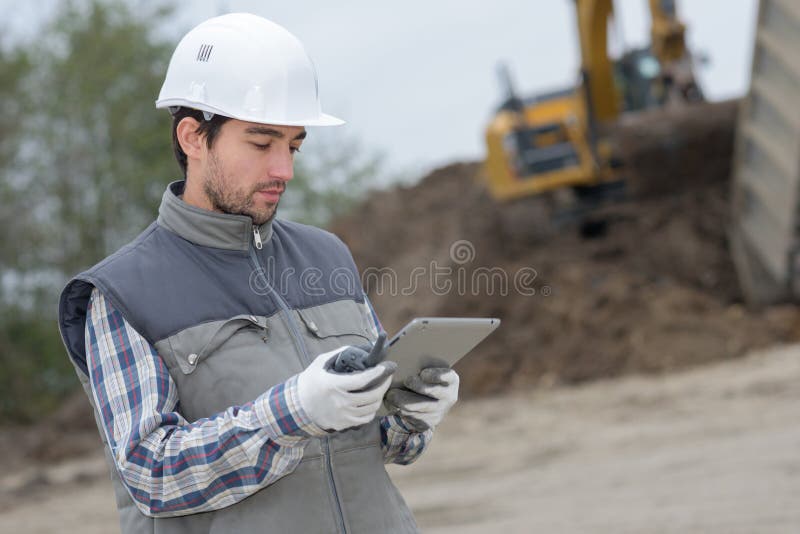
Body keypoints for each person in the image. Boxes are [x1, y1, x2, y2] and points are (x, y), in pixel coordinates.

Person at [57, 13, 459, 534]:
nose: (284, 170)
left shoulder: (328, 256)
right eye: (261, 143)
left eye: (293, 145)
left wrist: (410, 416)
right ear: (193, 137)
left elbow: (368, 444)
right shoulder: (123, 293)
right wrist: (288, 413)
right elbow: (151, 474)